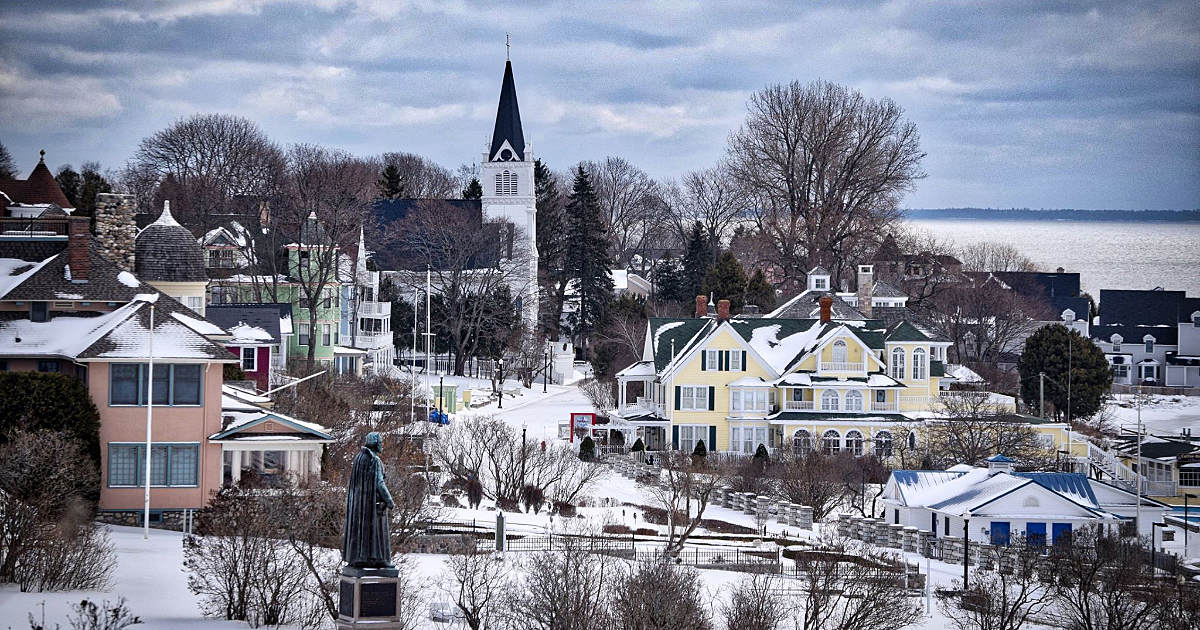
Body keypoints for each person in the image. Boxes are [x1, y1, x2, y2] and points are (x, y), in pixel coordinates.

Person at [343, 432, 395, 568]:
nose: (382, 445)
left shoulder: (359, 458)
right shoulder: (374, 460)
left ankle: (359, 557)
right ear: (375, 443)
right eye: (380, 442)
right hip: (373, 505)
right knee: (376, 532)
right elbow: (379, 483)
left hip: (359, 505)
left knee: (362, 531)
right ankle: (377, 558)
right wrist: (389, 501)